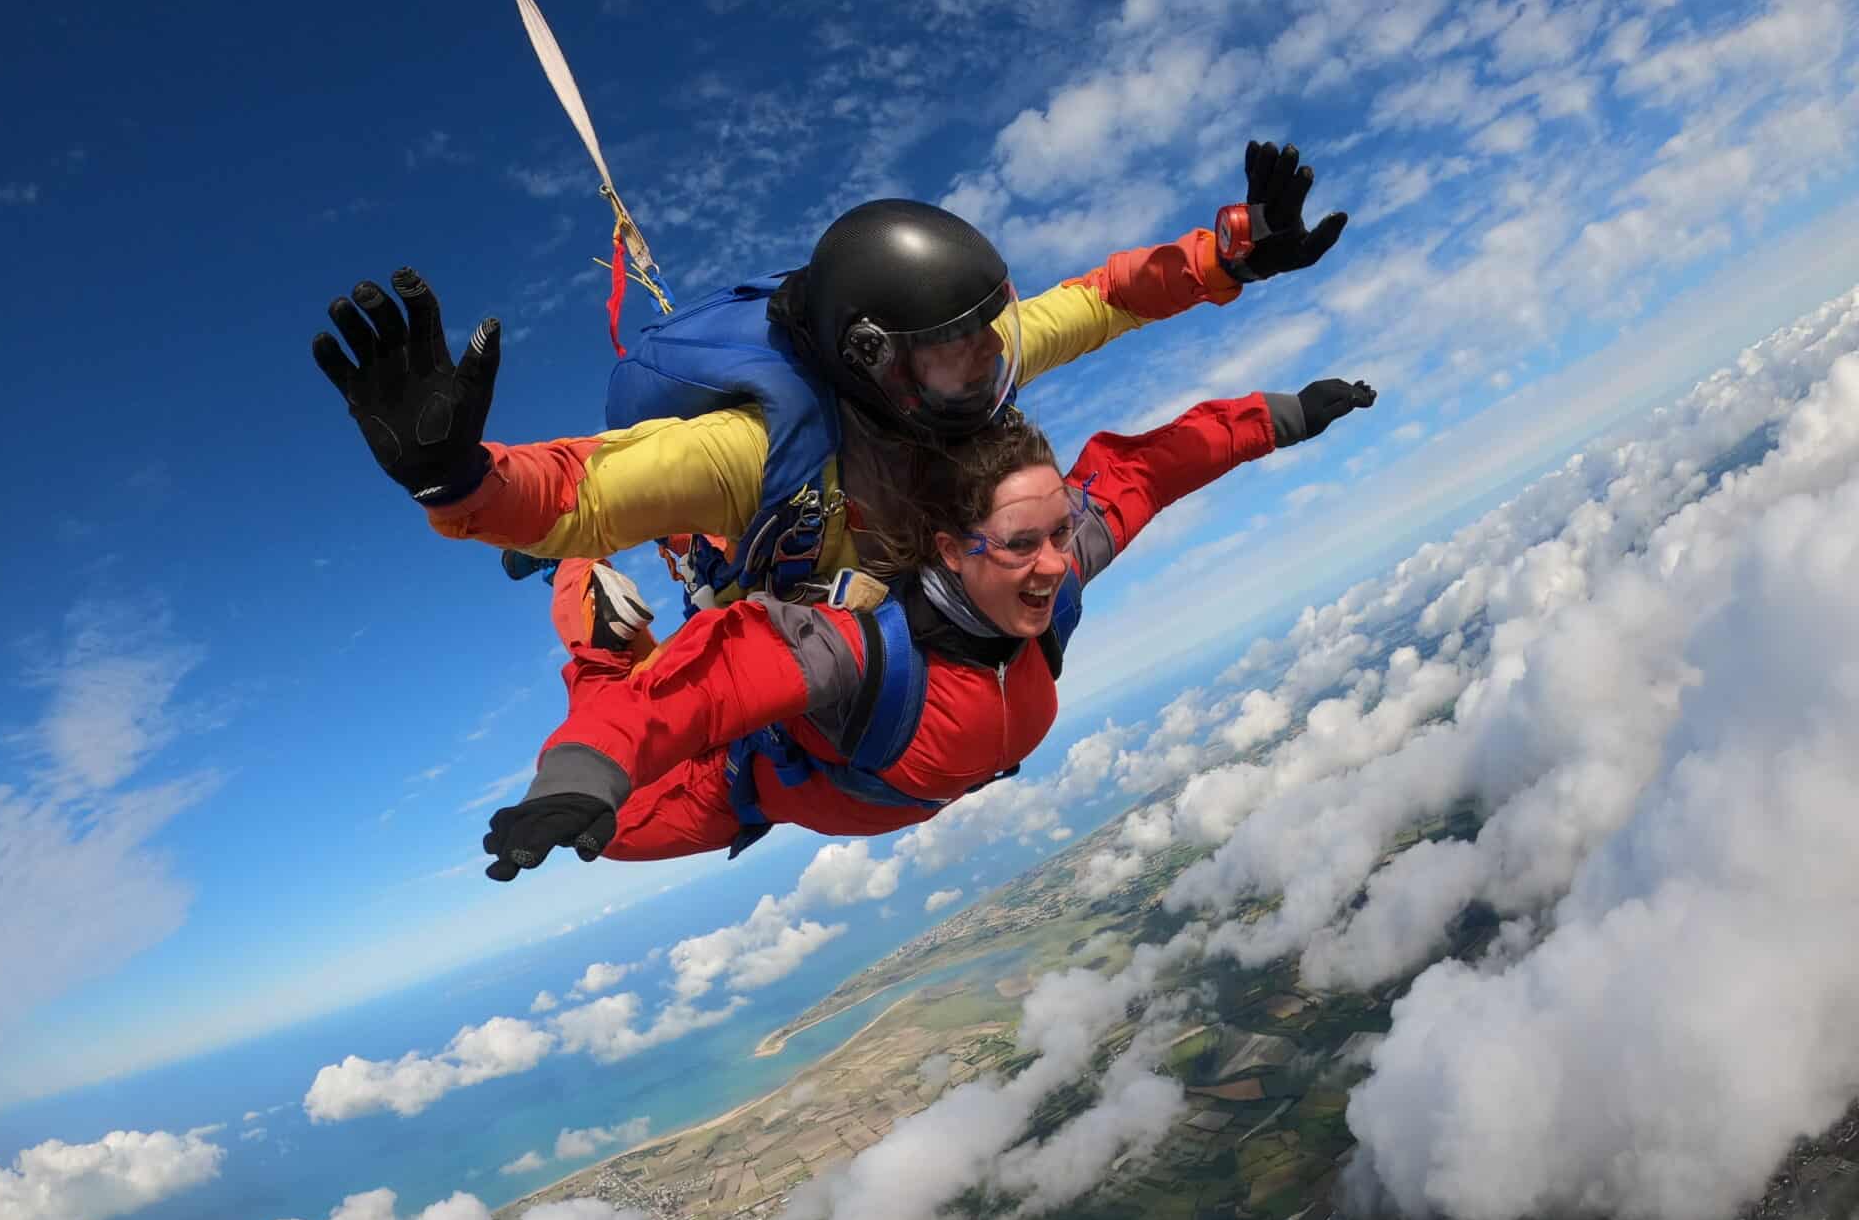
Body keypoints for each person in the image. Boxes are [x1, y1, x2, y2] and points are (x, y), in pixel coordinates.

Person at [312, 142, 1350, 606]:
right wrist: (455, 480)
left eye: (988, 331)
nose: (991, 360)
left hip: (900, 540)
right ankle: (563, 569)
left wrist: (1227, 256)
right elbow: (579, 493)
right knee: (630, 533)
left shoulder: (956, 362)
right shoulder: (751, 449)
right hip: (761, 544)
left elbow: (1099, 301)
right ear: (870, 358)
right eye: (959, 346)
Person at [481, 377, 1377, 880]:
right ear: (950, 550)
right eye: (1022, 544)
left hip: (860, 778)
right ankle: (572, 567)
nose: (1056, 562)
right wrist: (582, 773)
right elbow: (696, 692)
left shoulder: (1048, 575)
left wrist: (1280, 417)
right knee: (611, 809)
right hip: (734, 781)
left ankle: (681, 543)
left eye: (1060, 530)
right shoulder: (857, 656)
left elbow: (1149, 472)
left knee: (722, 575)